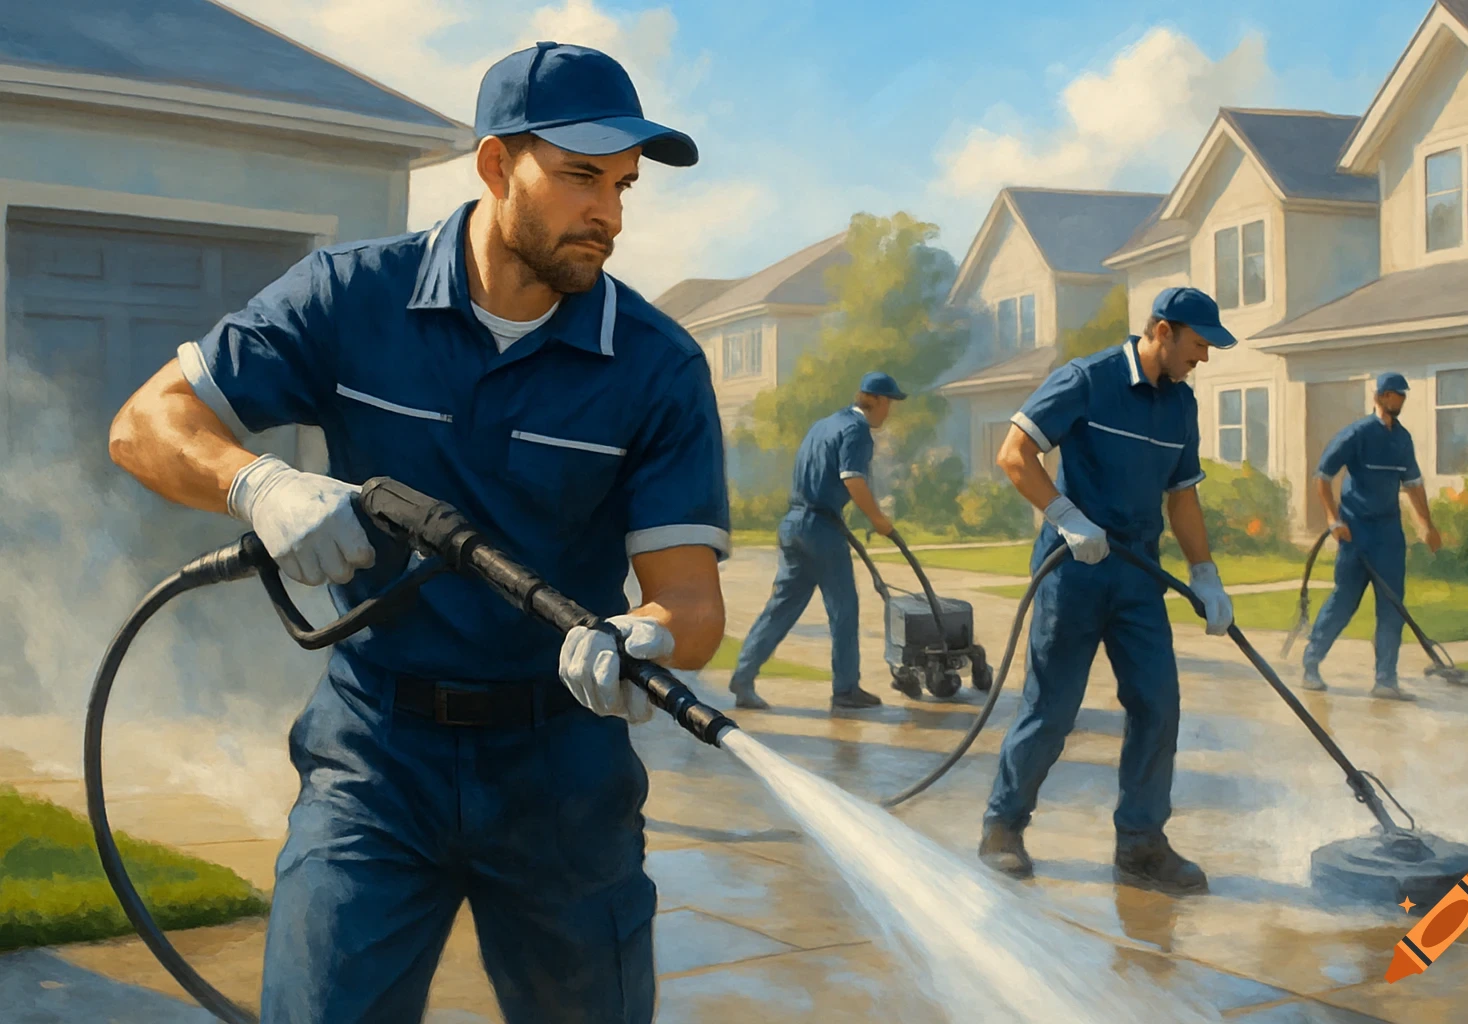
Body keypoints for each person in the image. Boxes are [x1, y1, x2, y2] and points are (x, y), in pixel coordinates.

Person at [107, 42, 729, 1024]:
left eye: (621, 184)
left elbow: (689, 600)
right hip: (374, 755)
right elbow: (145, 422)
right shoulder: (348, 298)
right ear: (494, 166)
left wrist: (644, 633)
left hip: (563, 766)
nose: (607, 212)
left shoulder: (656, 366)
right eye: (579, 178)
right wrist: (258, 483)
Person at [976, 286, 1237, 895]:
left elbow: (1183, 495)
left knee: (1158, 703)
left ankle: (1141, 844)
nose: (1204, 358)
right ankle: (1003, 825)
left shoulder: (1181, 406)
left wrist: (1205, 573)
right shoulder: (1087, 380)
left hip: (1139, 575)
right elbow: (1015, 454)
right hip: (1074, 568)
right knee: (1053, 709)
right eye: (1199, 344)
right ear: (1164, 331)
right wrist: (1066, 515)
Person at [727, 372, 906, 711]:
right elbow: (852, 479)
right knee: (844, 609)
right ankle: (846, 689)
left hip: (794, 524)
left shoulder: (823, 425)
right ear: (878, 400)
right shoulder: (857, 431)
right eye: (890, 404)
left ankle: (744, 675)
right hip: (821, 529)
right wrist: (879, 520)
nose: (889, 412)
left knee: (780, 608)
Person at [1302, 372, 1442, 700]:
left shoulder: (1402, 439)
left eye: (1402, 396)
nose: (1399, 400)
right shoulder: (1357, 435)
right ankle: (1311, 662)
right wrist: (1334, 520)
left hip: (1389, 535)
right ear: (1379, 397)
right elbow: (1322, 477)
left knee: (1392, 606)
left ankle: (1385, 680)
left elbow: (1414, 485)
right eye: (1393, 395)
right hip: (1356, 533)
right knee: (1344, 602)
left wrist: (1426, 524)